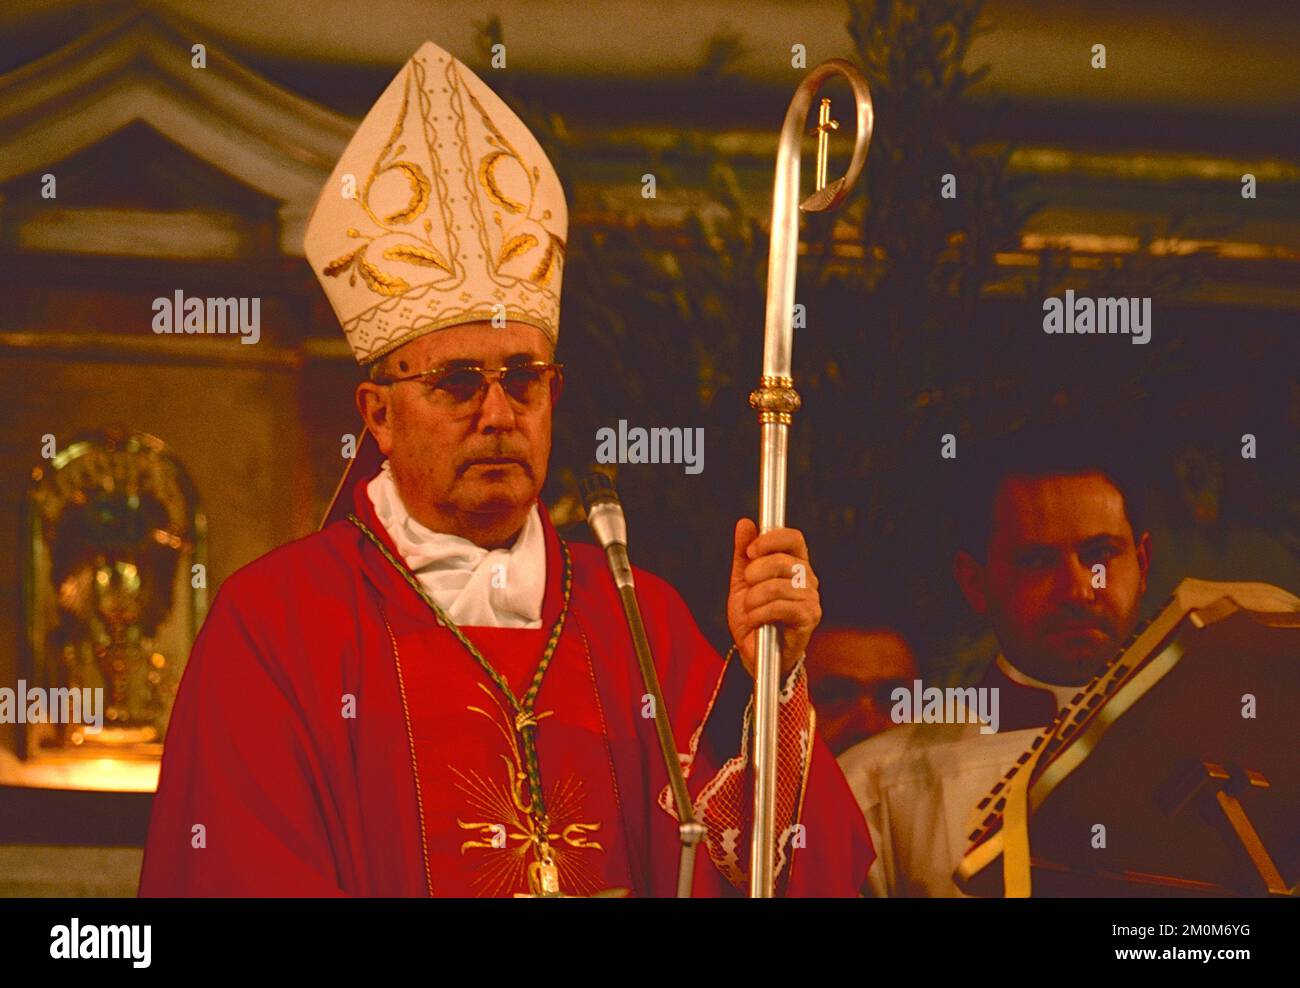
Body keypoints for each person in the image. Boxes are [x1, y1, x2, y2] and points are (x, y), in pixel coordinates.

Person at [138, 40, 871, 897]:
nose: (497, 413)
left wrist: (770, 677)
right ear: (377, 413)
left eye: (523, 379)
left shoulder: (639, 619)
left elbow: (771, 871)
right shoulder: (277, 630)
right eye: (456, 382)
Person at [839, 428, 1150, 896]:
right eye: (1036, 562)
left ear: (1142, 564)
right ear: (974, 583)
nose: (1078, 590)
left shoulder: (1229, 755)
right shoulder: (875, 788)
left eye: (1100, 554)